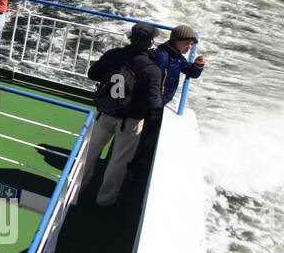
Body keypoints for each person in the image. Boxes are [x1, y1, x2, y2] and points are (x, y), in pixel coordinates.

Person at [79, 22, 162, 207]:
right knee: (118, 161)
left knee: (89, 153)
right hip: (130, 121)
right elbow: (153, 102)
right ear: (150, 43)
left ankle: (75, 190)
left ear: (130, 38)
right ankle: (105, 200)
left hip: (106, 113)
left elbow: (93, 74)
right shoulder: (151, 70)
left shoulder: (114, 55)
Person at [133, 24, 207, 172]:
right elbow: (153, 84)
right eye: (187, 43)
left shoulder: (177, 56)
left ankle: (139, 164)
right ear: (176, 40)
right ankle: (135, 167)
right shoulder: (162, 56)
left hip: (158, 104)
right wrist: (156, 106)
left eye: (191, 45)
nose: (189, 47)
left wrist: (198, 64)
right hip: (153, 105)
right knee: (144, 137)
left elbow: (190, 71)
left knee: (148, 136)